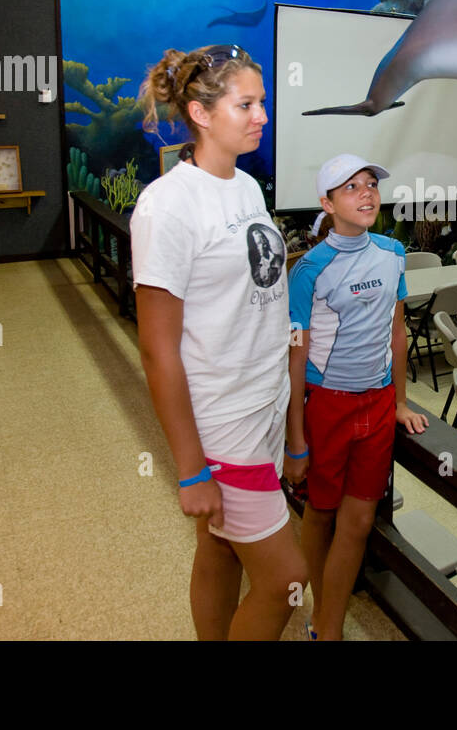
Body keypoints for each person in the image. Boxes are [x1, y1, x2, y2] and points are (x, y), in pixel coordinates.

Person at [131, 43, 307, 641]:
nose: (262, 116)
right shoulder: (168, 206)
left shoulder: (247, 188)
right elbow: (157, 349)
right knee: (287, 582)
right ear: (201, 114)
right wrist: (189, 471)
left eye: (263, 103)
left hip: (260, 400)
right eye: (247, 104)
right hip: (222, 419)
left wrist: (289, 423)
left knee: (222, 551)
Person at [284, 154, 428, 640]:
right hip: (328, 406)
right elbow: (296, 356)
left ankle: (329, 623)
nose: (366, 194)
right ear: (327, 203)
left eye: (370, 185)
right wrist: (295, 441)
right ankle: (322, 618)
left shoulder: (392, 253)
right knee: (320, 514)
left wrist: (403, 401)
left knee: (359, 519)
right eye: (350, 188)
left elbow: (398, 331)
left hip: (379, 402)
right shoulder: (308, 270)